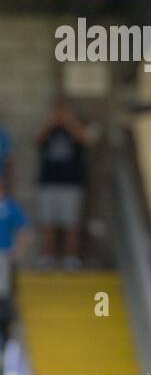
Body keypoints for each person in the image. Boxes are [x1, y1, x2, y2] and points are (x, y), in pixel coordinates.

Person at [36, 95, 89, 268]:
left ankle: (71, 258)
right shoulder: (49, 127)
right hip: (48, 182)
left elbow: (84, 138)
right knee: (47, 222)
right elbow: (38, 140)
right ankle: (47, 258)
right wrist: (50, 123)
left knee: (71, 223)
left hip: (71, 183)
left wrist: (69, 122)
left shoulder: (74, 126)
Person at [0, 176, 29, 348]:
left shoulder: (10, 206)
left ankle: (8, 332)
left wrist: (18, 252)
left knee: (6, 293)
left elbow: (24, 230)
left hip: (4, 256)